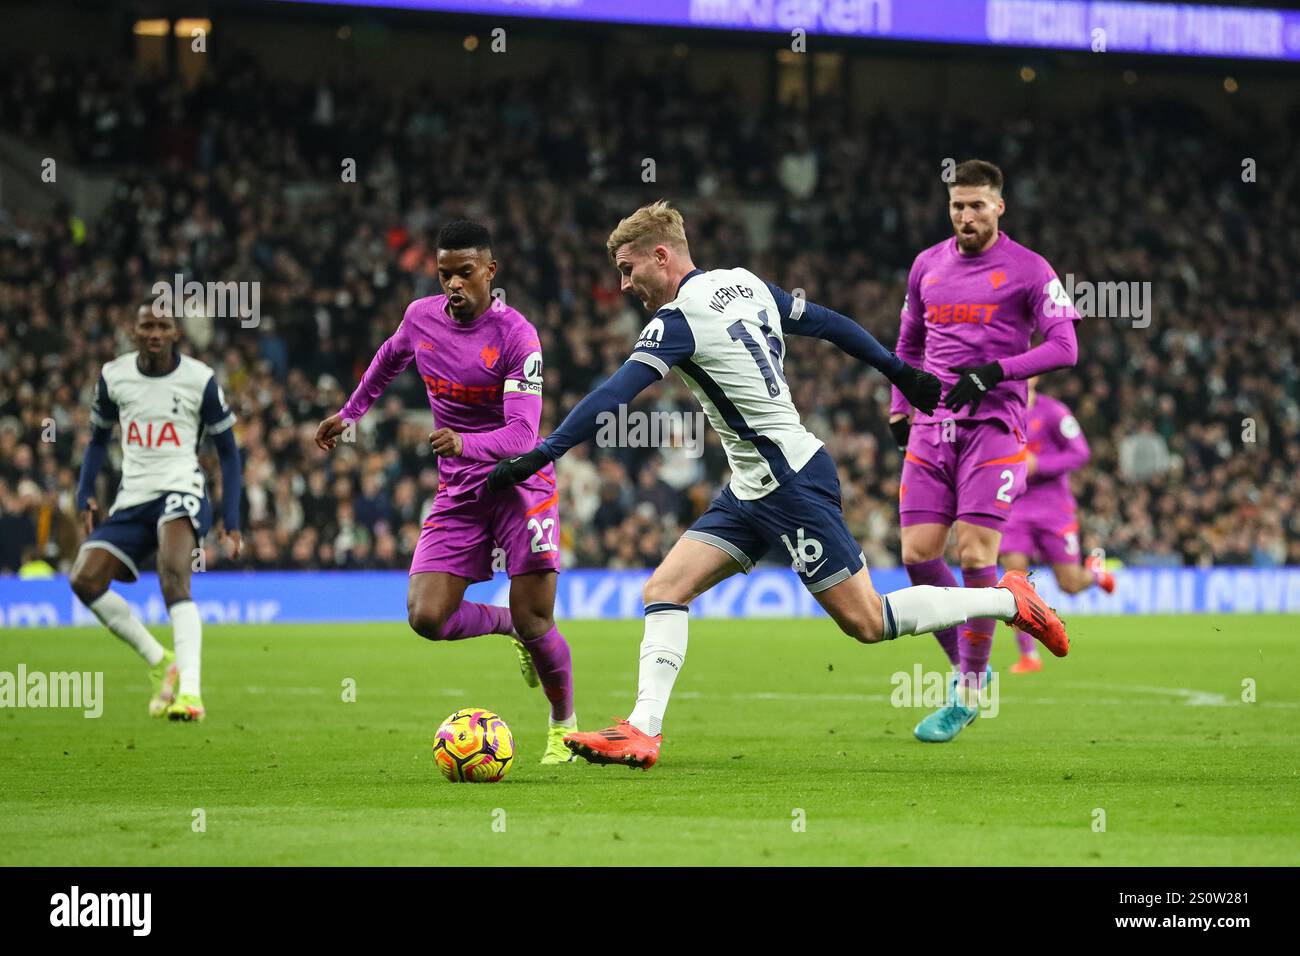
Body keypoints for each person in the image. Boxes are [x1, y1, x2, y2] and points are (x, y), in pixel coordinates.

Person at [488, 200, 1068, 770]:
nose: (623, 285)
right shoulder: (746, 284)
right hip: (751, 487)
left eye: (627, 268)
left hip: (789, 483)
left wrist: (543, 451)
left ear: (660, 256)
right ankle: (643, 730)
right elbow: (831, 324)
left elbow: (614, 395)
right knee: (663, 588)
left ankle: (1007, 599)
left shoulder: (676, 321)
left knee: (868, 622)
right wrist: (899, 371)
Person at [315, 221, 577, 764]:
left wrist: (464, 441)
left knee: (537, 619)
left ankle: (563, 728)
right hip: (461, 488)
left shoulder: (518, 337)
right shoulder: (420, 318)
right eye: (444, 274)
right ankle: (505, 625)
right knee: (426, 617)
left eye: (464, 272)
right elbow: (388, 358)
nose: (453, 284)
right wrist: (349, 413)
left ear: (489, 272)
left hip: (520, 485)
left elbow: (524, 435)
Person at [888, 159, 1082, 742]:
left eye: (977, 205)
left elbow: (1066, 346)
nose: (966, 215)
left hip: (995, 426)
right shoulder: (927, 265)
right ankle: (970, 666)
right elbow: (909, 342)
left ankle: (969, 692)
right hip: (932, 424)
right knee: (919, 553)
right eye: (957, 206)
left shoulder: (1029, 269)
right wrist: (901, 407)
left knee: (975, 555)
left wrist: (997, 370)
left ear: (999, 206)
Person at [70, 299, 243, 722]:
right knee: (84, 580)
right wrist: (84, 493)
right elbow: (96, 440)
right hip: (132, 498)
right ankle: (159, 659)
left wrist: (230, 517)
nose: (154, 333)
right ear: (134, 330)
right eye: (146, 325)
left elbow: (228, 452)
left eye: (162, 326)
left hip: (181, 487)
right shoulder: (114, 377)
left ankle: (191, 693)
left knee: (173, 579)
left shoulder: (199, 379)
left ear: (174, 333)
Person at [1000, 376, 1116, 673]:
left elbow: (1081, 453)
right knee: (1013, 578)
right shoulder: (999, 411)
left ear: (1037, 375)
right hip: (1015, 507)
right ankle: (1029, 655)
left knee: (1070, 583)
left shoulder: (1054, 412)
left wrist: (1041, 464)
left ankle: (1095, 575)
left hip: (1054, 509)